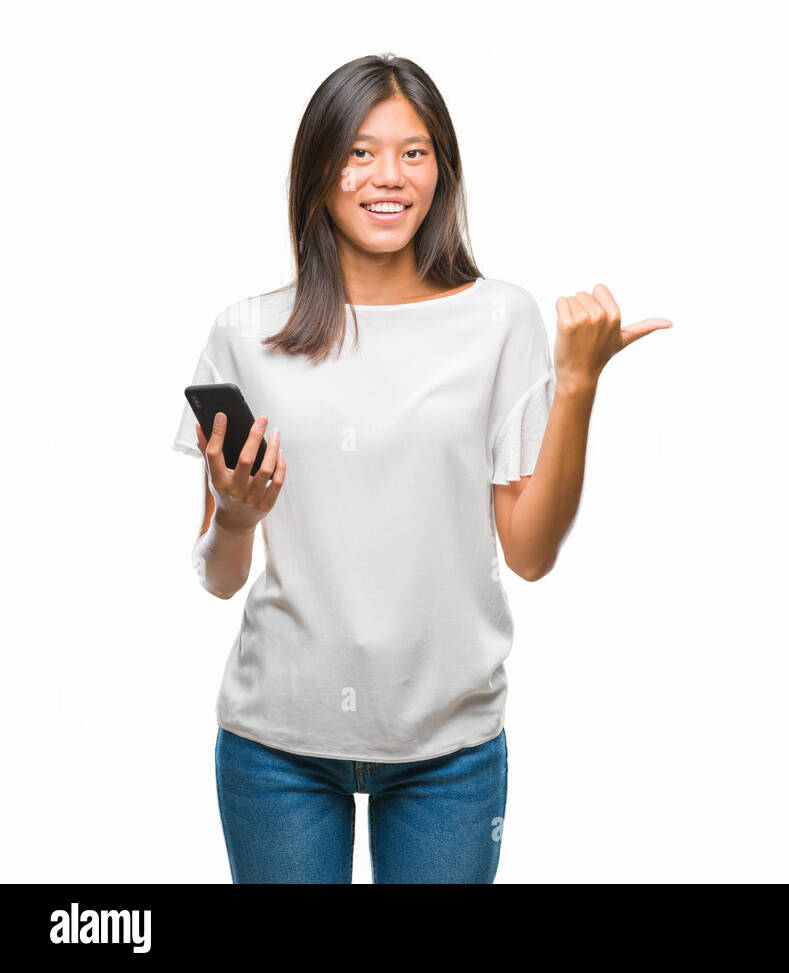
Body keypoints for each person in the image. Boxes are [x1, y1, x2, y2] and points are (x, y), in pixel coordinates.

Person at [171, 53, 672, 883]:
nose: (388, 176)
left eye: (415, 151)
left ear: (442, 169)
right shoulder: (245, 333)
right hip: (277, 743)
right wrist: (236, 516)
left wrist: (578, 382)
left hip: (450, 746)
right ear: (320, 170)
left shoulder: (499, 319)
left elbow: (532, 554)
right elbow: (219, 577)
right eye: (360, 151)